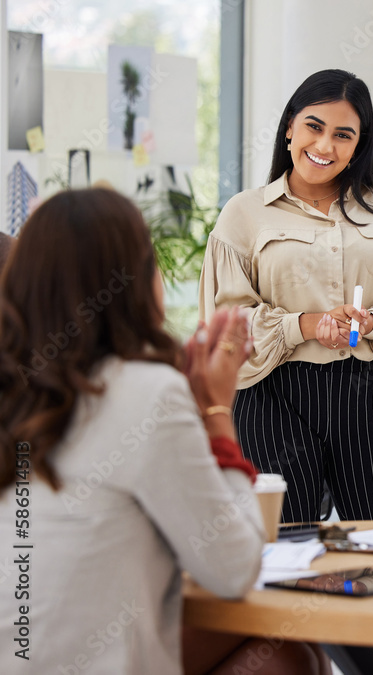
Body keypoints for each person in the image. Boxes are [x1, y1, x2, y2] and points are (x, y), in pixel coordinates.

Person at [0, 188, 330, 675]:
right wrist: (216, 409)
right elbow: (234, 568)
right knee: (288, 658)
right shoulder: (145, 392)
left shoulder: (15, 388)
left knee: (283, 656)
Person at [199, 69, 373, 674]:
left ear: (361, 145)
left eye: (344, 135)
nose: (326, 146)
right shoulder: (244, 215)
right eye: (314, 126)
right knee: (289, 568)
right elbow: (225, 326)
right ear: (289, 128)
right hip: (275, 398)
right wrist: (304, 325)